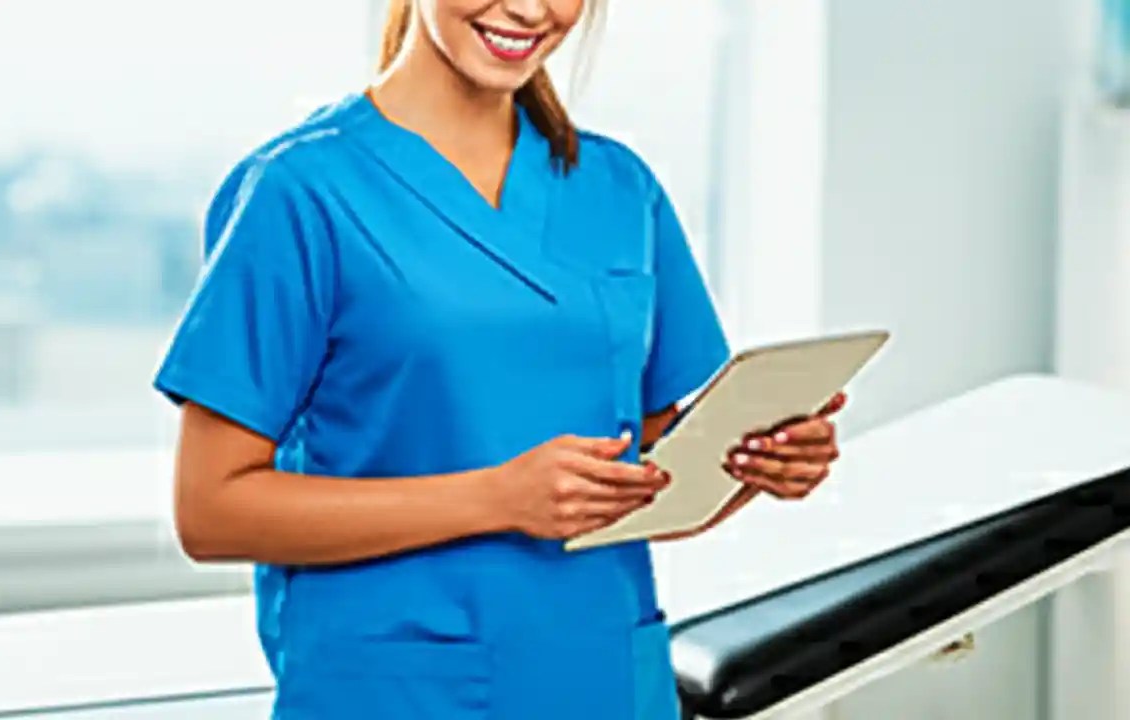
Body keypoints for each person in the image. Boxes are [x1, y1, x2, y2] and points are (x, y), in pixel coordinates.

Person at [153, 0, 845, 717]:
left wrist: (753, 464)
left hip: (603, 678)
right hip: (400, 690)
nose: (529, 9)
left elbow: (639, 486)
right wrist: (498, 499)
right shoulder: (299, 191)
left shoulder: (619, 189)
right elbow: (212, 510)